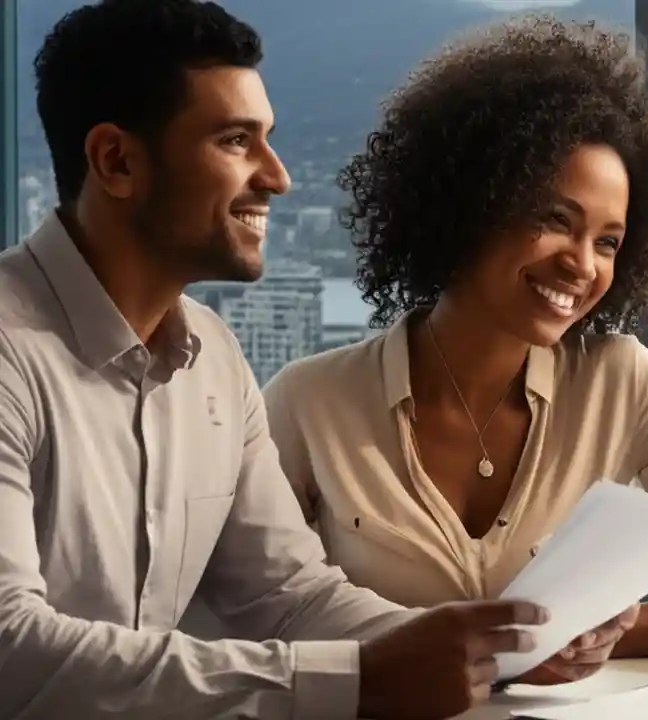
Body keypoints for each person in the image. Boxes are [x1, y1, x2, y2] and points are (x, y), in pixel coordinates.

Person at [0, 2, 548, 719]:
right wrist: (345, 685)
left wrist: (491, 646)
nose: (278, 176)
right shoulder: (11, 353)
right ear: (118, 161)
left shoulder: (214, 362)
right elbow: (11, 651)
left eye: (271, 141)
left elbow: (289, 598)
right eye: (236, 141)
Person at [261, 14, 648, 685]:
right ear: (471, 204)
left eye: (608, 242)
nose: (583, 265)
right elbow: (257, 615)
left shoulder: (622, 382)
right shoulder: (308, 401)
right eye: (556, 220)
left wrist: (601, 631)